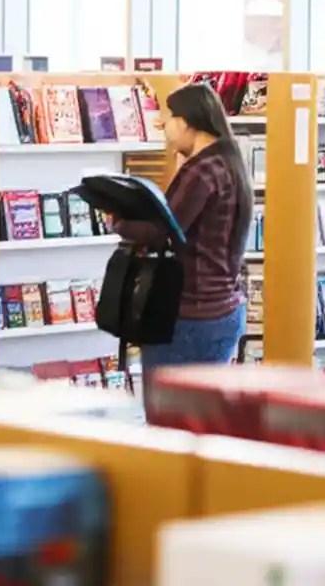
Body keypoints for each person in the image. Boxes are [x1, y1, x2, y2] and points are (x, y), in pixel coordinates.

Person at [113, 82, 254, 407]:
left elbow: (164, 231)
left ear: (188, 121)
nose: (162, 126)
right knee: (201, 419)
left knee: (168, 421)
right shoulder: (229, 163)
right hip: (222, 310)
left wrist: (119, 220)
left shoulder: (203, 170)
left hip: (188, 315)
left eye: (167, 118)